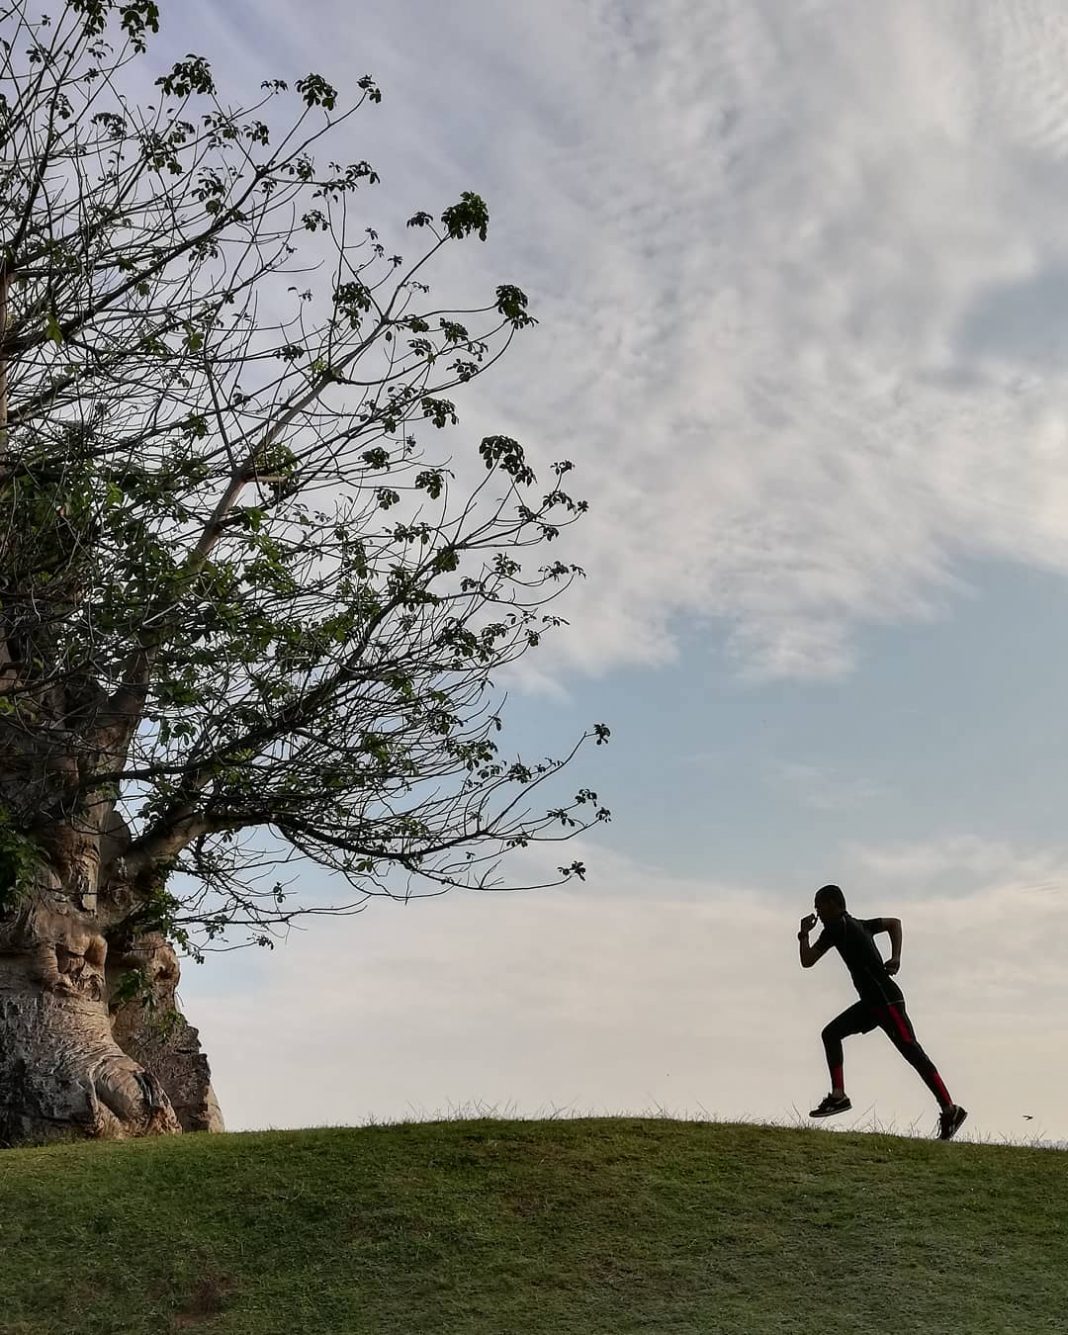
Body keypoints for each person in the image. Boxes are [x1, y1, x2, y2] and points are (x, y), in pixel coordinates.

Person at [798, 883, 967, 1141]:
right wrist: (804, 934)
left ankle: (950, 1110)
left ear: (832, 904)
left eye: (819, 906)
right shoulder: (857, 925)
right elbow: (893, 923)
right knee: (831, 1034)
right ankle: (838, 1096)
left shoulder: (838, 927)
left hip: (886, 1001)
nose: (817, 912)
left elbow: (807, 960)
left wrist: (896, 957)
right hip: (871, 1004)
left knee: (912, 1051)